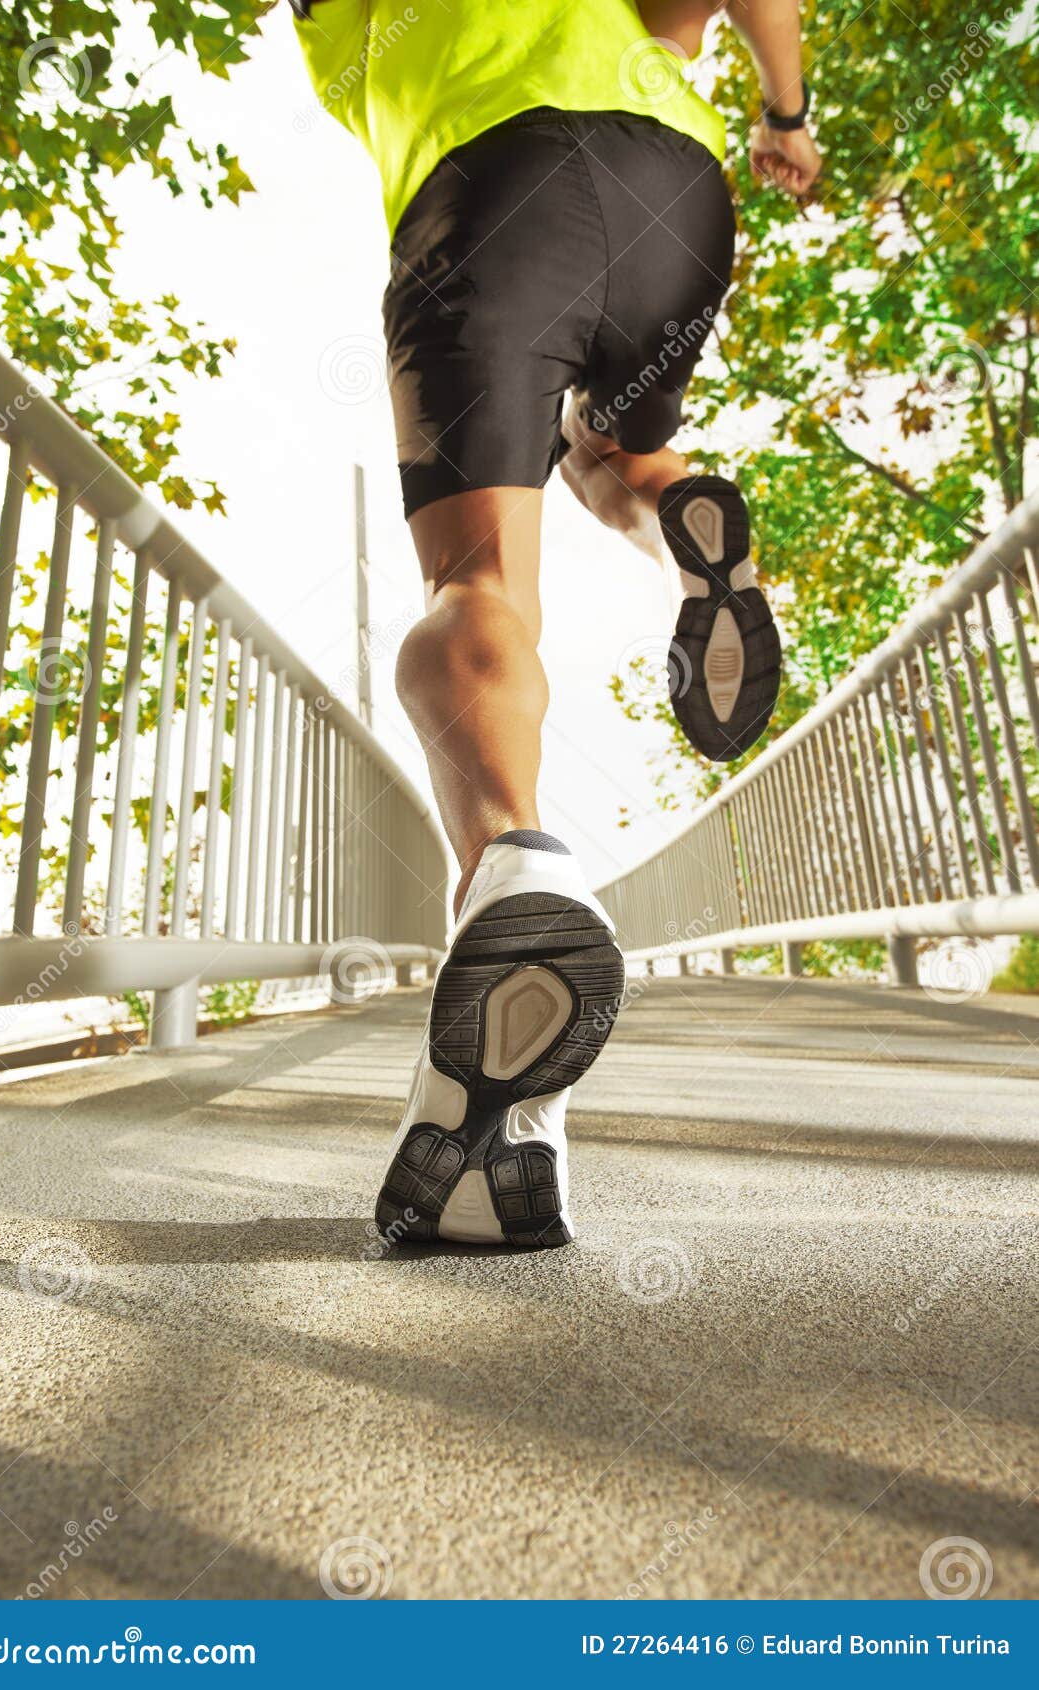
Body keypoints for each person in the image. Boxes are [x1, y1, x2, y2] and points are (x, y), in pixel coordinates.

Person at [290, 0, 822, 1247]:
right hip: (672, 201)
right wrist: (783, 113)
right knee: (605, 446)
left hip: (493, 187)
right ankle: (681, 517)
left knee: (475, 585)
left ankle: (513, 862)